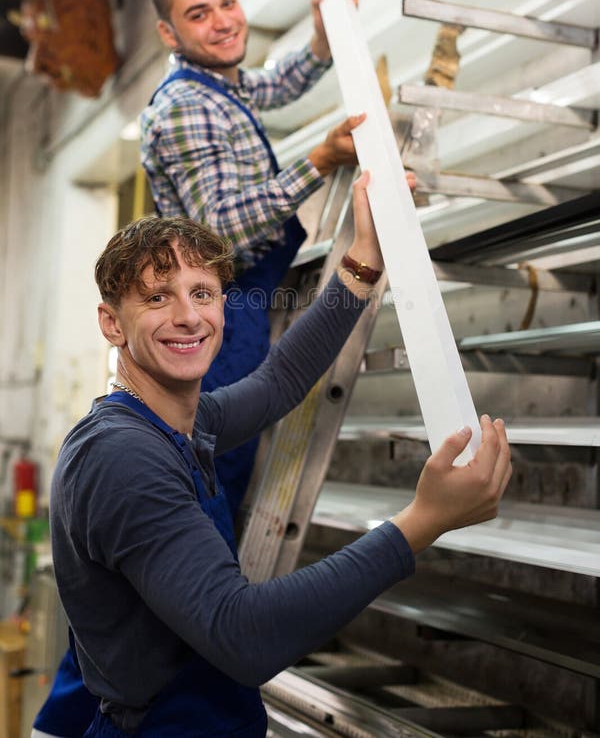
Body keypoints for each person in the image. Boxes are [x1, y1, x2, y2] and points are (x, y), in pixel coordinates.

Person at [47, 174, 511, 737]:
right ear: (111, 323)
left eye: (202, 293)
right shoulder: (121, 456)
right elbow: (242, 634)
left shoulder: (183, 422)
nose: (188, 316)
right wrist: (422, 522)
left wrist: (363, 257)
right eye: (156, 296)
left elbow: (280, 380)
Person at [139, 0, 372, 517]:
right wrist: (318, 160)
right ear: (169, 32)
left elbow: (273, 86)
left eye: (228, 2)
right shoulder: (185, 107)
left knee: (229, 457)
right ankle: (210, 596)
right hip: (222, 303)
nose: (223, 22)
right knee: (213, 469)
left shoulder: (220, 82)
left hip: (248, 296)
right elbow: (215, 229)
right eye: (199, 15)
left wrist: (321, 42)